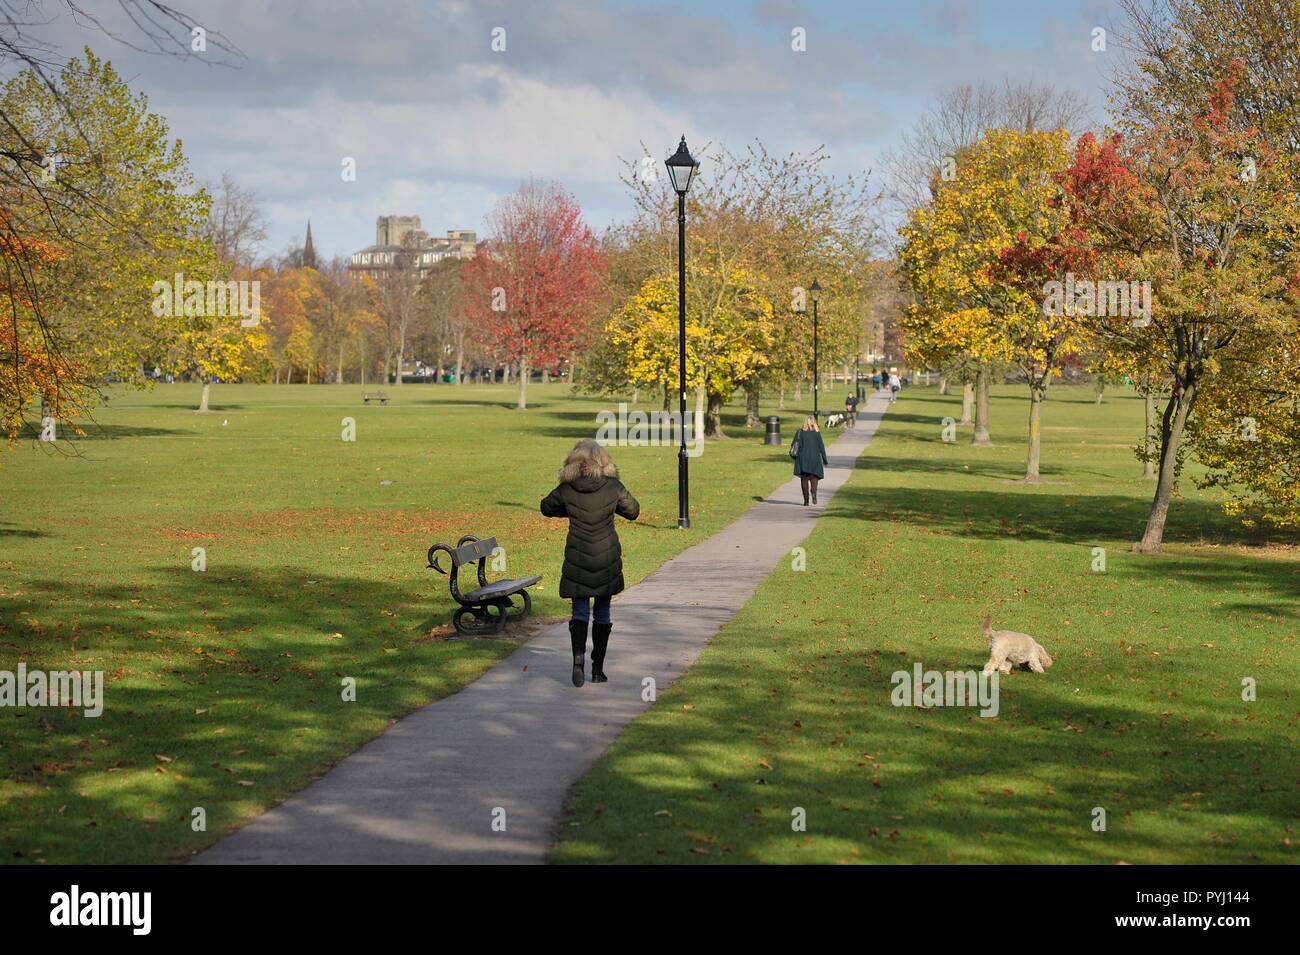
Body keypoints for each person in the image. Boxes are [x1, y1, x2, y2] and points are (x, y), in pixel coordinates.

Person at [540, 439, 640, 687]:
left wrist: (570, 510)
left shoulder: (567, 488)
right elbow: (633, 511)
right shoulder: (612, 486)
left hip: (578, 556)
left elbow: (546, 507)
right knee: (603, 612)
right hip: (606, 557)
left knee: (580, 611)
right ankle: (597, 669)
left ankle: (577, 660)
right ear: (603, 461)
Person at [790, 415, 829, 505]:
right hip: (815, 459)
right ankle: (814, 494)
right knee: (814, 478)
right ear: (813, 422)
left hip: (802, 459)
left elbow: (794, 444)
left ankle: (806, 500)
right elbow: (821, 447)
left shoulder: (800, 432)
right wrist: (825, 460)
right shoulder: (816, 433)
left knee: (804, 480)